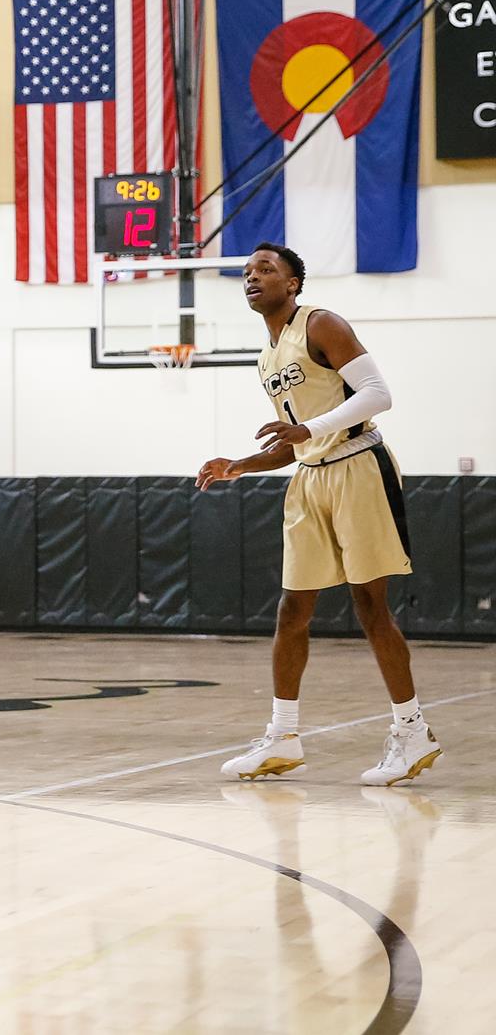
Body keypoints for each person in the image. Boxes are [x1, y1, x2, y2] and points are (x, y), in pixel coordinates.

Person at [199, 243, 438, 787]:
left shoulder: (321, 323)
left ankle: (412, 731)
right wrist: (240, 464)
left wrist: (308, 430)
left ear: (293, 284)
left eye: (266, 269)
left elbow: (379, 395)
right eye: (247, 272)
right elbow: (292, 442)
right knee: (292, 610)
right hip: (309, 477)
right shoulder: (267, 356)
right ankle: (283, 738)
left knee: (369, 604)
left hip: (358, 465)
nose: (253, 277)